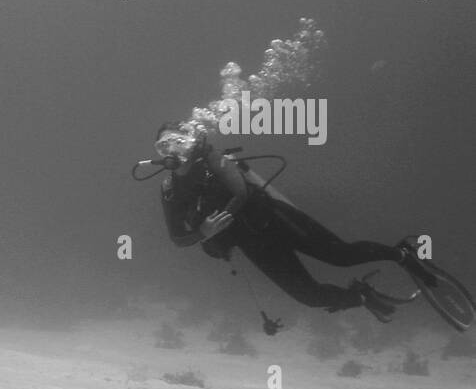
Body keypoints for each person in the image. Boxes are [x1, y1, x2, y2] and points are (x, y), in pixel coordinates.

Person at [154, 120, 436, 321]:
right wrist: (203, 232)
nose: (171, 151)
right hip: (256, 246)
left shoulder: (212, 160)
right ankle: (361, 297)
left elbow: (240, 192)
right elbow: (177, 238)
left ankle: (401, 255)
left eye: (177, 142)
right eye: (163, 146)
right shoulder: (170, 189)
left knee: (341, 255)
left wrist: (217, 222)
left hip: (275, 219)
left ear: (190, 142)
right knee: (308, 297)